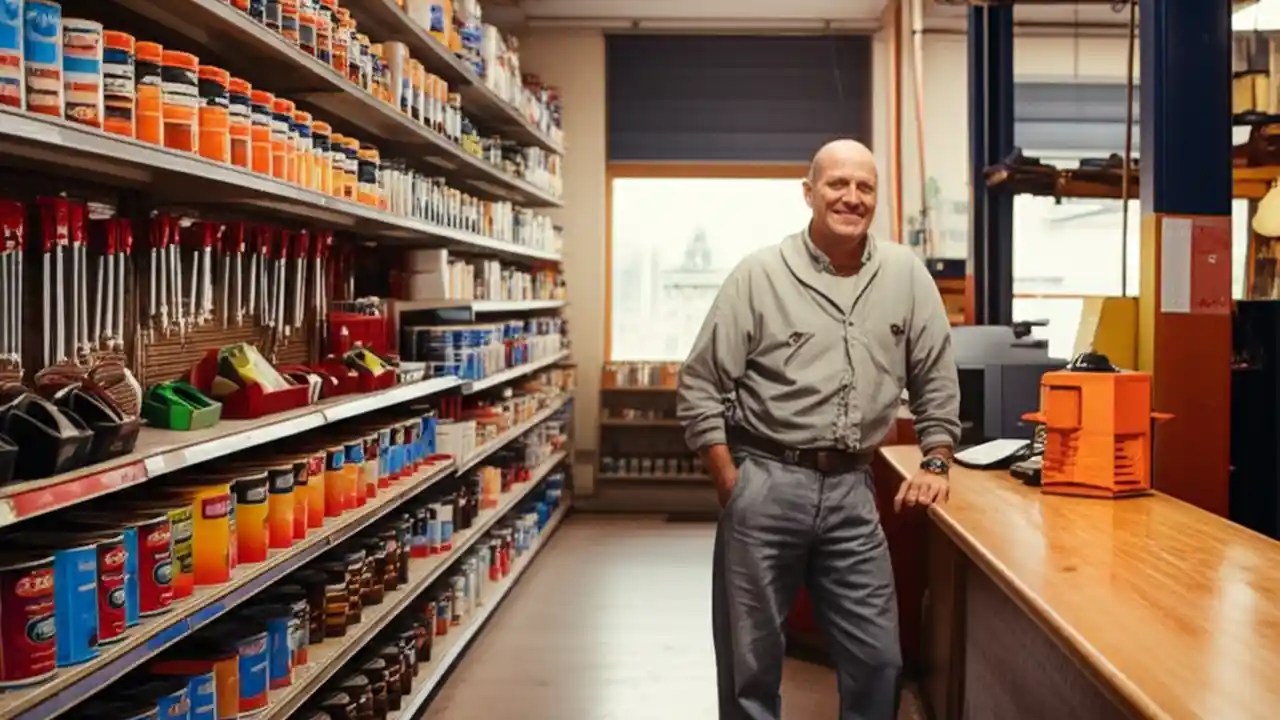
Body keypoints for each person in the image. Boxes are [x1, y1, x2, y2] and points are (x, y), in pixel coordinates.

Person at [676, 138, 961, 720]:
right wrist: (731, 480)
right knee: (749, 667)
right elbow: (700, 382)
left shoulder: (906, 276)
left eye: (864, 187)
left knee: (879, 659)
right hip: (766, 481)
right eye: (837, 184)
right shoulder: (759, 276)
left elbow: (935, 377)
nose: (851, 198)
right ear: (809, 193)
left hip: (855, 491)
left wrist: (937, 456)